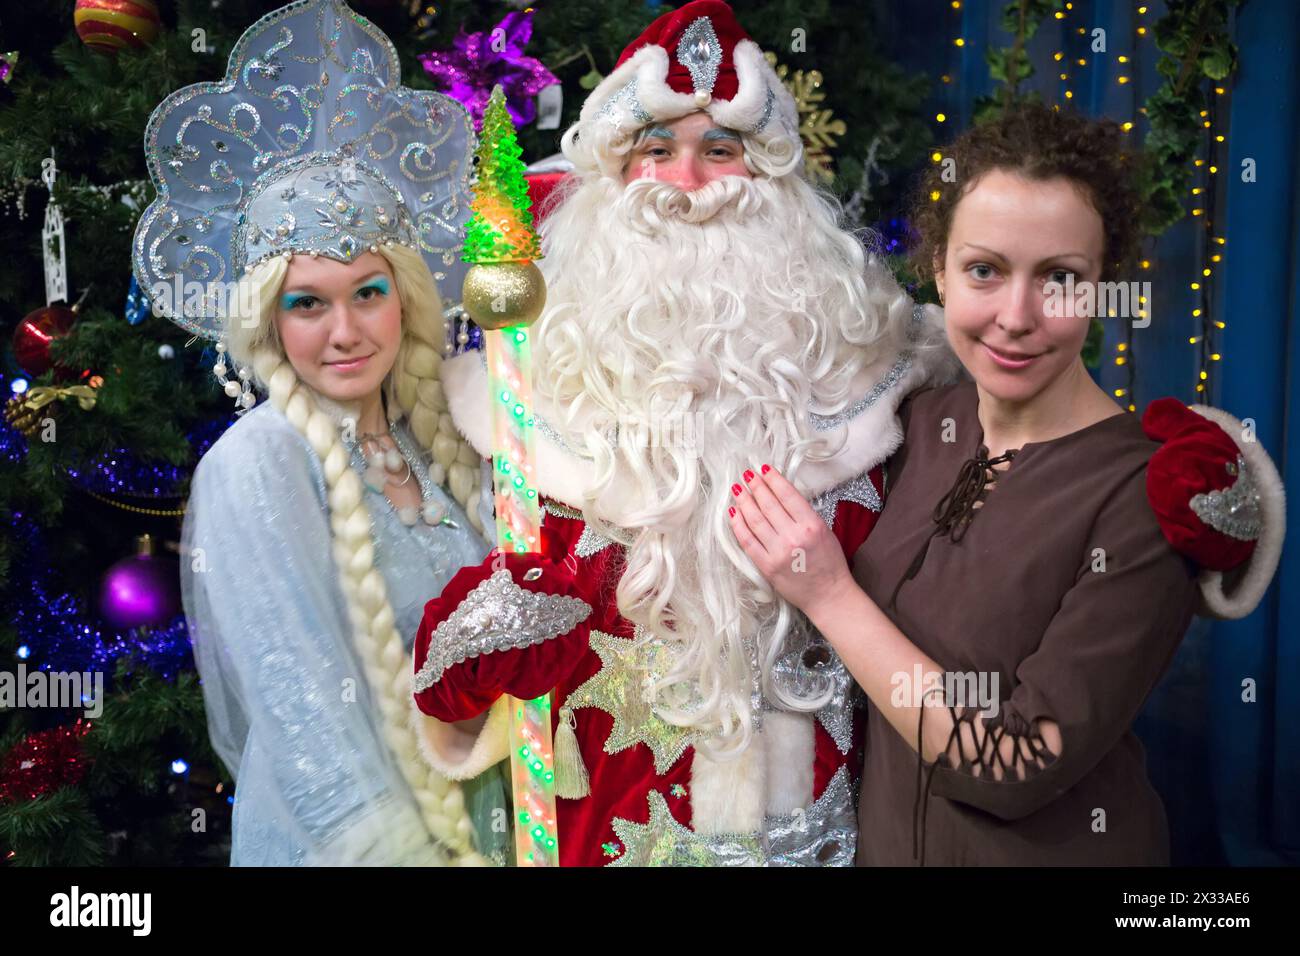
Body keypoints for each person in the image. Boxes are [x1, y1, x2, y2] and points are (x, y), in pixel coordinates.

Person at [411, 0, 956, 866]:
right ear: (613, 179)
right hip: (604, 835)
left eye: (721, 150)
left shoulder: (886, 376)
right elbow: (467, 650)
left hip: (824, 834)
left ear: (770, 178)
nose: (689, 186)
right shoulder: (516, 401)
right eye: (656, 152)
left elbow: (1015, 472)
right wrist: (470, 659)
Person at [727, 102, 1285, 865]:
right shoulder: (910, 424)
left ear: (1101, 288)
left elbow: (1013, 763)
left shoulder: (1143, 495)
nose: (1016, 317)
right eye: (984, 271)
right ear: (938, 271)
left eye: (1059, 278)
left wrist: (829, 594)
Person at [135, 0, 507, 865]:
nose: (345, 331)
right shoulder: (256, 464)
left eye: (367, 292)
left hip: (485, 819)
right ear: (271, 319)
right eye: (309, 302)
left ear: (406, 295)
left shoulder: (440, 440)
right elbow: (302, 707)